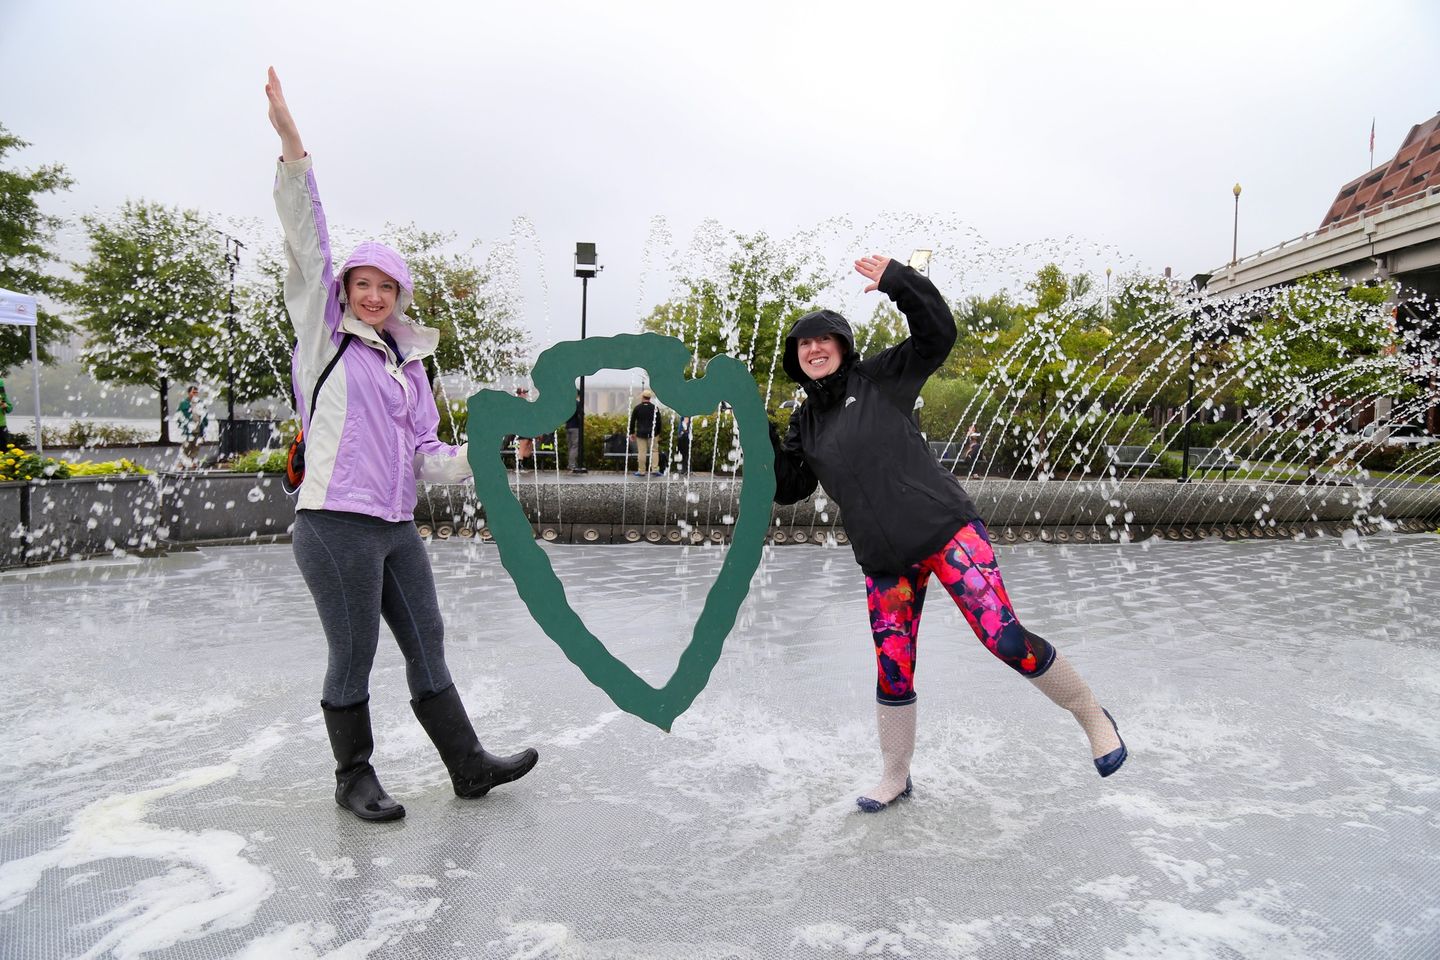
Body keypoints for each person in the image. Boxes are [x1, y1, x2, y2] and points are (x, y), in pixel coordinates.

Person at [266, 67, 537, 823]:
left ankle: (468, 765)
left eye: (387, 287)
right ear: (346, 289)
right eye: (363, 284)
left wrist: (483, 455)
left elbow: (427, 450)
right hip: (333, 523)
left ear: (401, 296)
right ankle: (354, 777)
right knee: (353, 653)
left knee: (427, 640)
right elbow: (307, 244)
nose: (374, 296)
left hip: (392, 526)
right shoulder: (324, 341)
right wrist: (294, 149)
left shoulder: (407, 363)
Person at [771, 255, 1126, 814]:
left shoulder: (882, 378)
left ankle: (1091, 715)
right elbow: (787, 486)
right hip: (885, 561)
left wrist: (898, 281)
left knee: (1004, 639)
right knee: (893, 669)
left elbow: (938, 332)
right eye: (803, 345)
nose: (813, 350)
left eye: (824, 340)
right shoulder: (804, 423)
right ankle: (895, 775)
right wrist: (757, 430)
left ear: (842, 345)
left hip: (946, 533)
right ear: (796, 359)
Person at [628, 388, 664, 477]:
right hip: (652, 433)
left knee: (641, 452)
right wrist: (658, 433)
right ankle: (655, 469)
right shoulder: (655, 408)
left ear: (642, 397)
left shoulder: (637, 408)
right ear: (650, 398)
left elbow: (632, 421)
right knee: (654, 451)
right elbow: (659, 422)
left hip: (640, 433)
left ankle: (641, 471)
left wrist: (631, 433)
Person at [176, 385, 208, 466]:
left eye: (196, 392)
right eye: (193, 392)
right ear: (189, 393)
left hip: (199, 428)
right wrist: (182, 425)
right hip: (188, 429)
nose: (195, 394)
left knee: (196, 446)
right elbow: (179, 416)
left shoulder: (200, 403)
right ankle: (181, 462)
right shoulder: (184, 404)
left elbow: (205, 415)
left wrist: (205, 424)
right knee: (186, 446)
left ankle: (193, 461)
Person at [565, 389, 585, 473]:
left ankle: (570, 464)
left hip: (568, 427)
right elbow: (581, 414)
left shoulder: (567, 403)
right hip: (576, 427)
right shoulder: (576, 403)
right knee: (575, 446)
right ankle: (572, 464)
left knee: (570, 446)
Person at [0, 376, 11, 450]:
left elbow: (10, 408)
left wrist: (6, 406)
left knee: (3, 449)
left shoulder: (3, 396)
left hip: (2, 426)